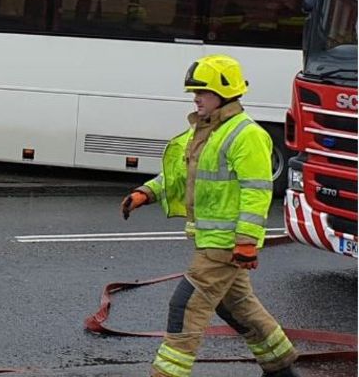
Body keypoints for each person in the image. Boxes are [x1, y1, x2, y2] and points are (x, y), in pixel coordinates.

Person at [121, 55, 299, 377]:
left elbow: (257, 191)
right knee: (236, 305)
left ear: (224, 92)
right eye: (194, 92)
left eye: (202, 91)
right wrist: (147, 192)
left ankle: (167, 374)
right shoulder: (206, 131)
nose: (195, 98)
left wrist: (246, 241)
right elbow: (182, 175)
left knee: (186, 306)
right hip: (212, 240)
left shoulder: (246, 134)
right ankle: (281, 367)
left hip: (225, 243)